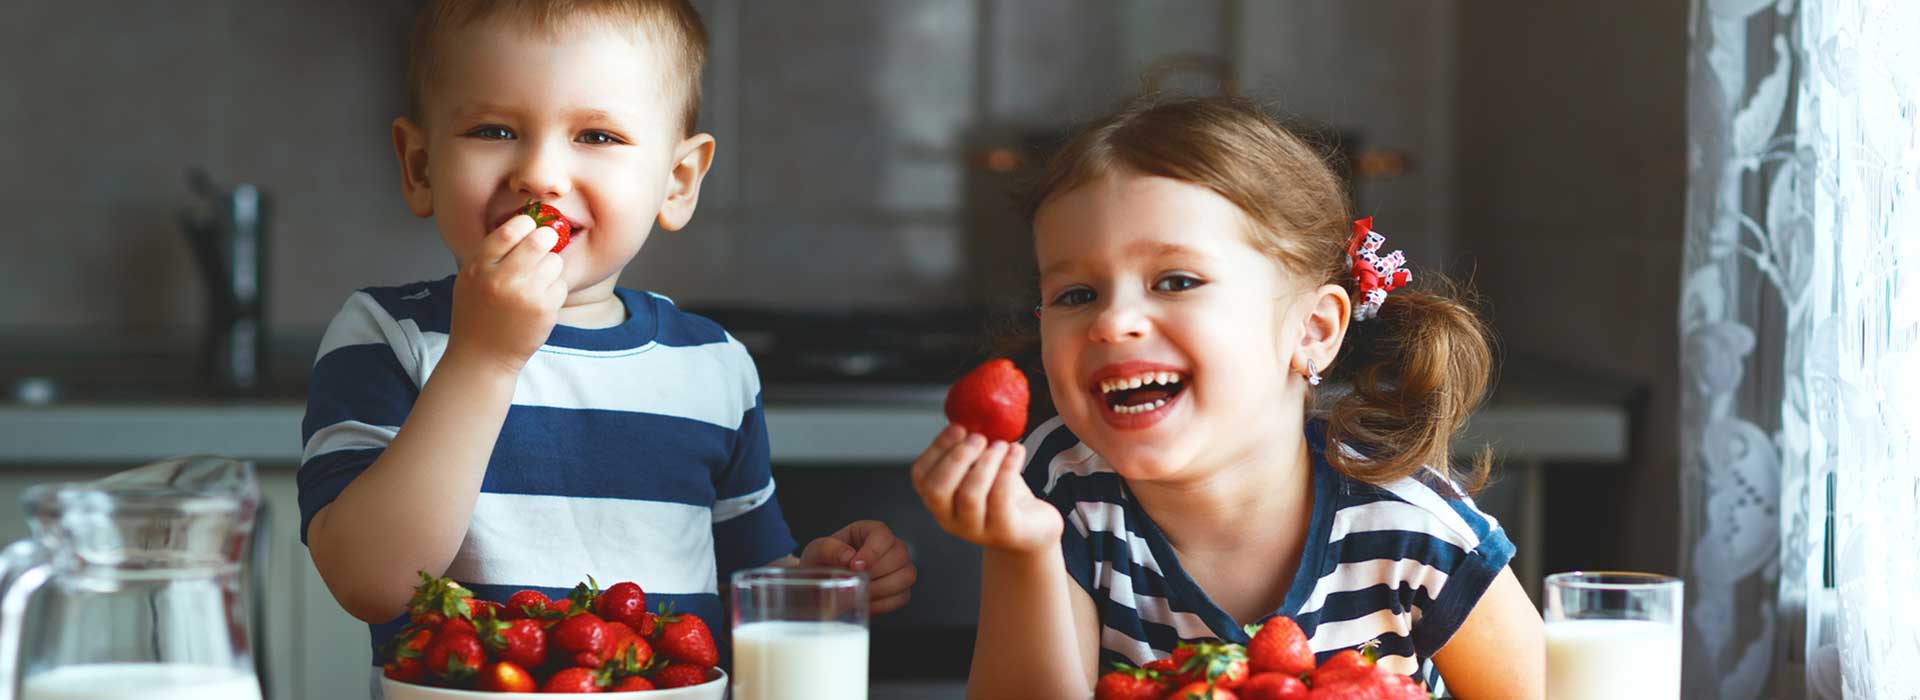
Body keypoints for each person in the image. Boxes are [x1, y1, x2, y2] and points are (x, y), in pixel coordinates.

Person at [297, 0, 916, 680]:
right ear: (420, 167)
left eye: (596, 136)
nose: (538, 173)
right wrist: (483, 358)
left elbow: (749, 588)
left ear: (677, 182)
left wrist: (817, 581)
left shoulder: (712, 365)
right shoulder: (386, 337)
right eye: (494, 128)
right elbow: (368, 582)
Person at [913, 95, 1543, 699]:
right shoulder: (1059, 490)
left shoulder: (1414, 527)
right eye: (1076, 294)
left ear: (1313, 331)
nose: (1112, 321)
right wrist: (1024, 550)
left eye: (1176, 280)